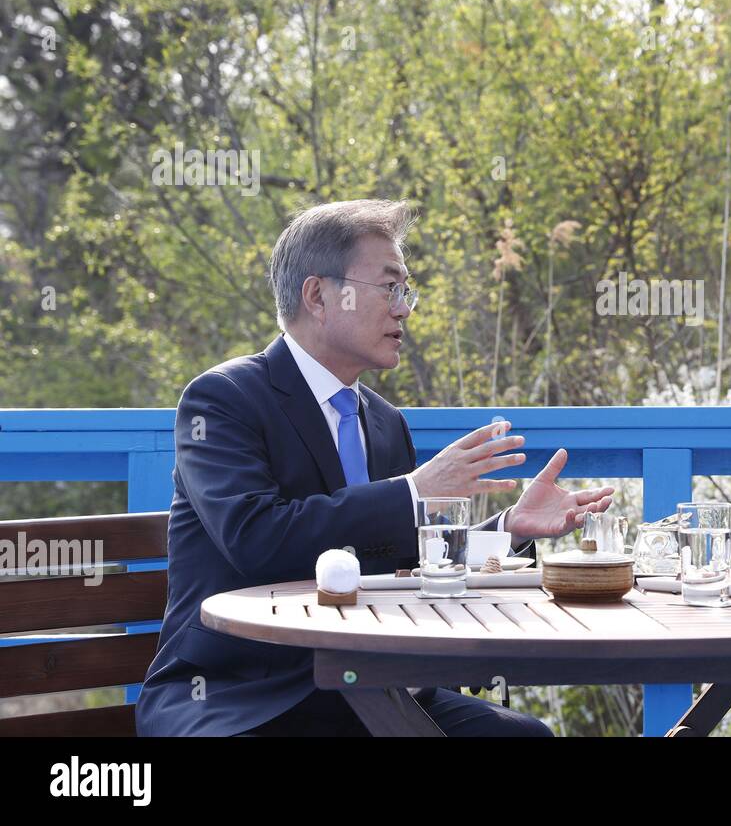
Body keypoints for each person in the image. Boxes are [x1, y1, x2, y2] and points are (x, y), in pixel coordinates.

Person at [136, 199, 614, 736]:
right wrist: (412, 492)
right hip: (243, 695)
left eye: (405, 290)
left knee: (523, 736)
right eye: (389, 287)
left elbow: (413, 565)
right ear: (318, 295)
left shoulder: (386, 423)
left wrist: (507, 531)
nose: (404, 308)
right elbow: (255, 539)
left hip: (370, 688)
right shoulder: (223, 400)